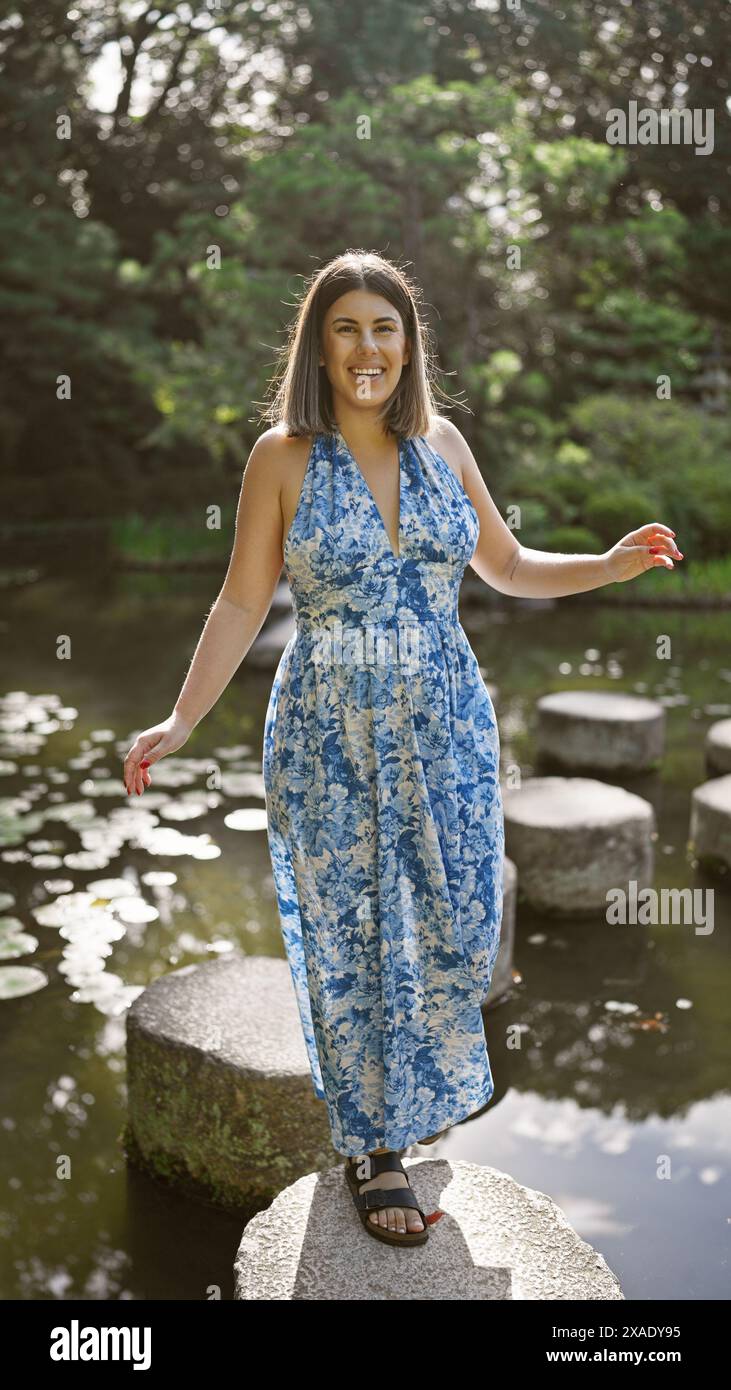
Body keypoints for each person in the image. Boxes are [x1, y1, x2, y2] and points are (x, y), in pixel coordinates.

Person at [122, 249, 682, 1249]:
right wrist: (178, 720)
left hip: (446, 723)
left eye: (385, 327)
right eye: (346, 328)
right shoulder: (281, 458)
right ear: (319, 345)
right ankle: (373, 1148)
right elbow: (242, 600)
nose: (367, 347)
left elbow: (504, 566)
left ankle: (407, 1101)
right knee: (355, 938)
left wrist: (605, 561)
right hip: (329, 725)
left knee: (458, 920)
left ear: (407, 342)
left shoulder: (443, 445)